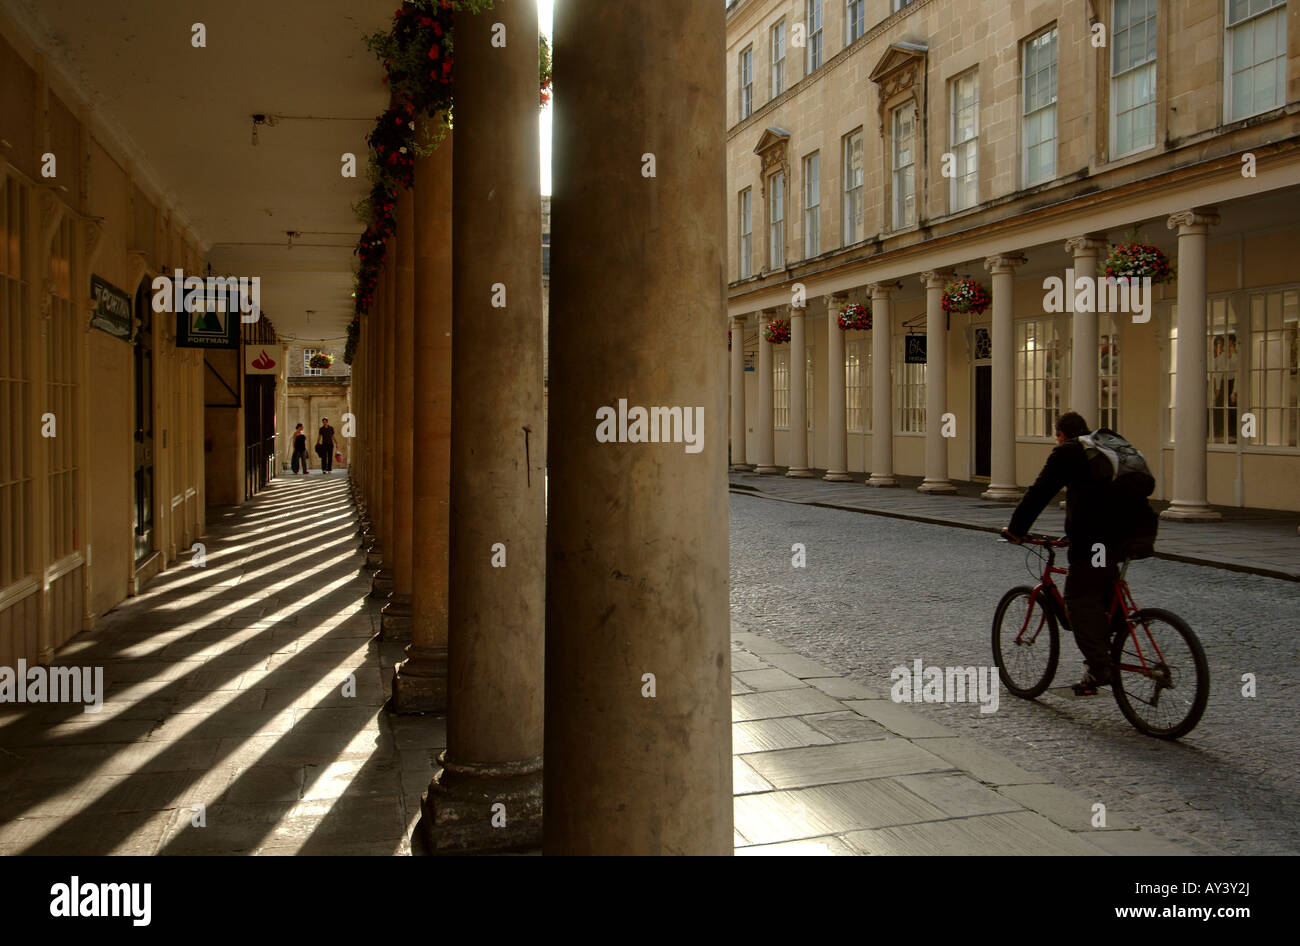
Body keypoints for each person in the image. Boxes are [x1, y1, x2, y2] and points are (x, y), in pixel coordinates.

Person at [1001, 411, 1125, 695]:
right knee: (1104, 586)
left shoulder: (1068, 452)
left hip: (1097, 540)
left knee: (1079, 597)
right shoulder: (1105, 447)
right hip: (1133, 532)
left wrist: (1017, 529)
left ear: (1060, 434)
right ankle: (1120, 634)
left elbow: (1040, 492)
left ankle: (1098, 668)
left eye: (1055, 436)